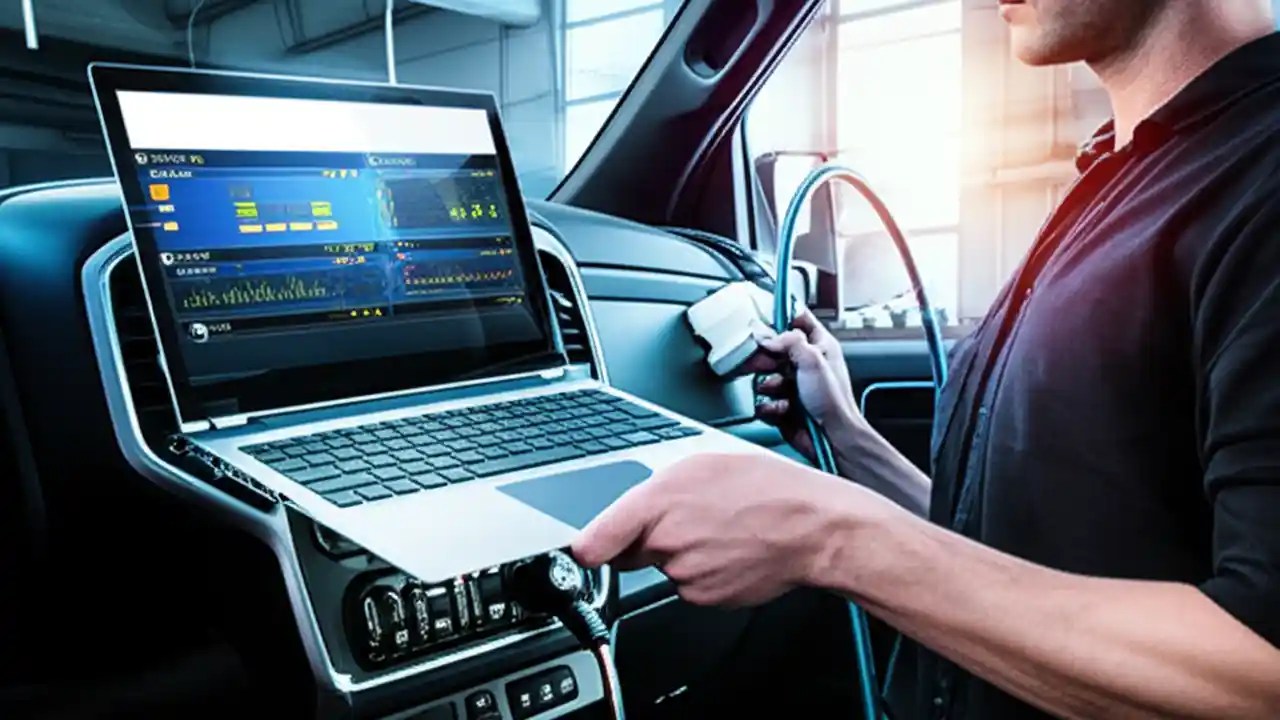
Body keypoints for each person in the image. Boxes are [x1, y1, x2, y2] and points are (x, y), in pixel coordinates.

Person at [571, 0, 1280, 717]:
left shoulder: (1262, 176)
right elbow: (1022, 557)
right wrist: (851, 444)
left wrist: (832, 537)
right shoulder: (1121, 172)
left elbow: (1263, 669)